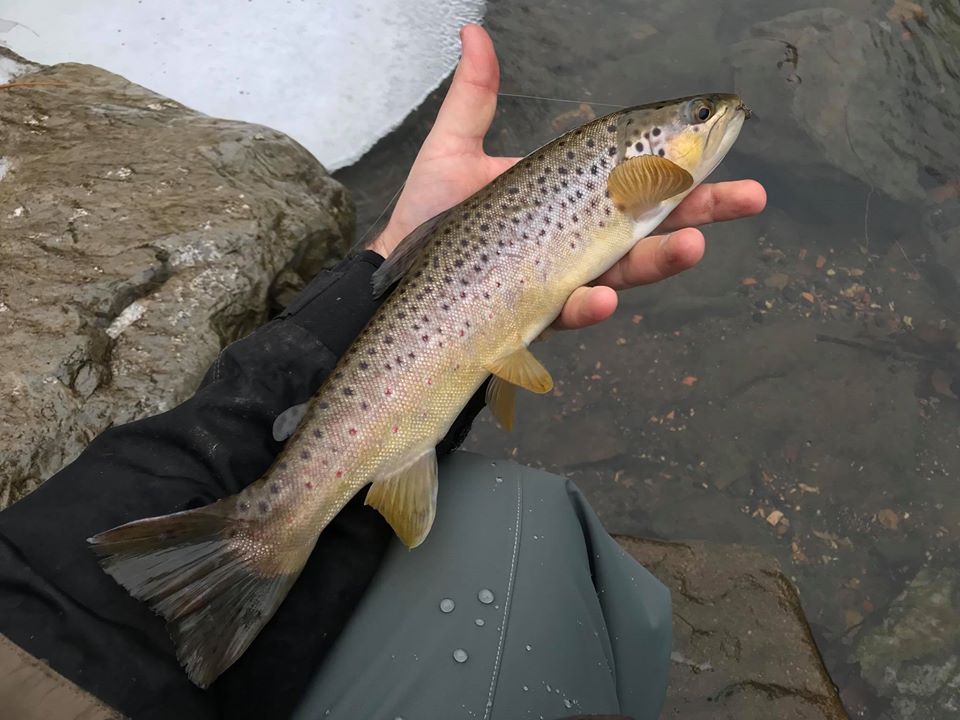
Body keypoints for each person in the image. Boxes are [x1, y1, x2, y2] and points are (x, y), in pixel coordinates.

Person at [0, 24, 765, 720]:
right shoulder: (649, 175)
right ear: (652, 156)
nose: (715, 119)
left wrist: (390, 252)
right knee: (543, 529)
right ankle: (269, 537)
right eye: (699, 118)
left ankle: (269, 532)